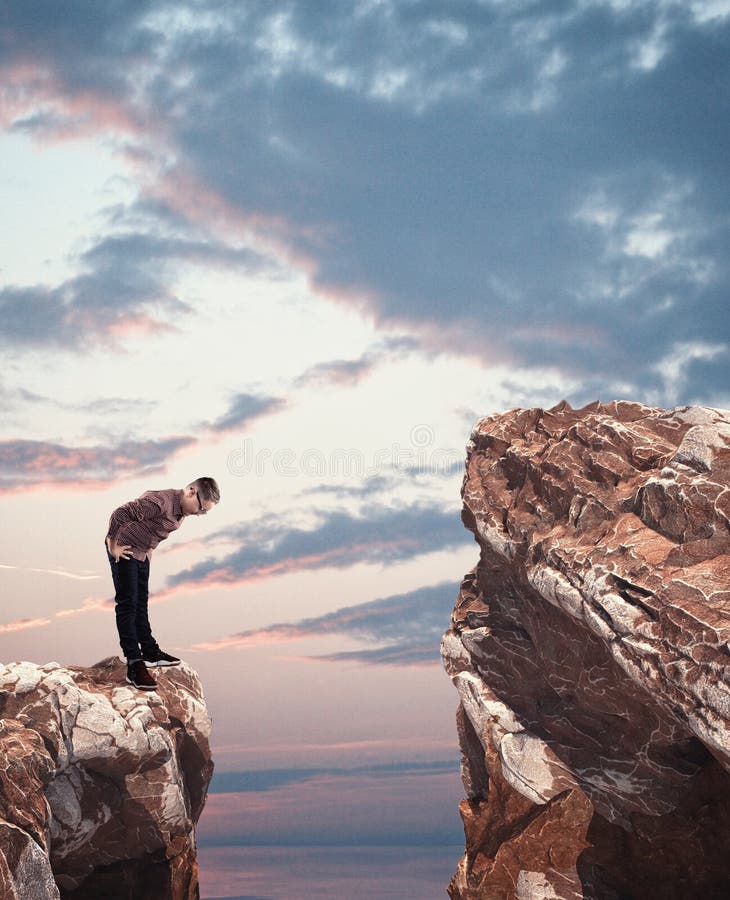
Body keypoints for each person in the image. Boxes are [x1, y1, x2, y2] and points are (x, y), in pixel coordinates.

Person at [105, 477, 220, 691]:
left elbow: (153, 530)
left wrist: (148, 551)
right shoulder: (159, 502)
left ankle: (149, 652)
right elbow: (119, 514)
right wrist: (113, 546)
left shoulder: (182, 510)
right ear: (191, 492)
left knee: (141, 604)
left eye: (203, 513)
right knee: (128, 605)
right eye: (201, 509)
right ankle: (134, 664)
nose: (198, 514)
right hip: (124, 549)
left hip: (142, 553)